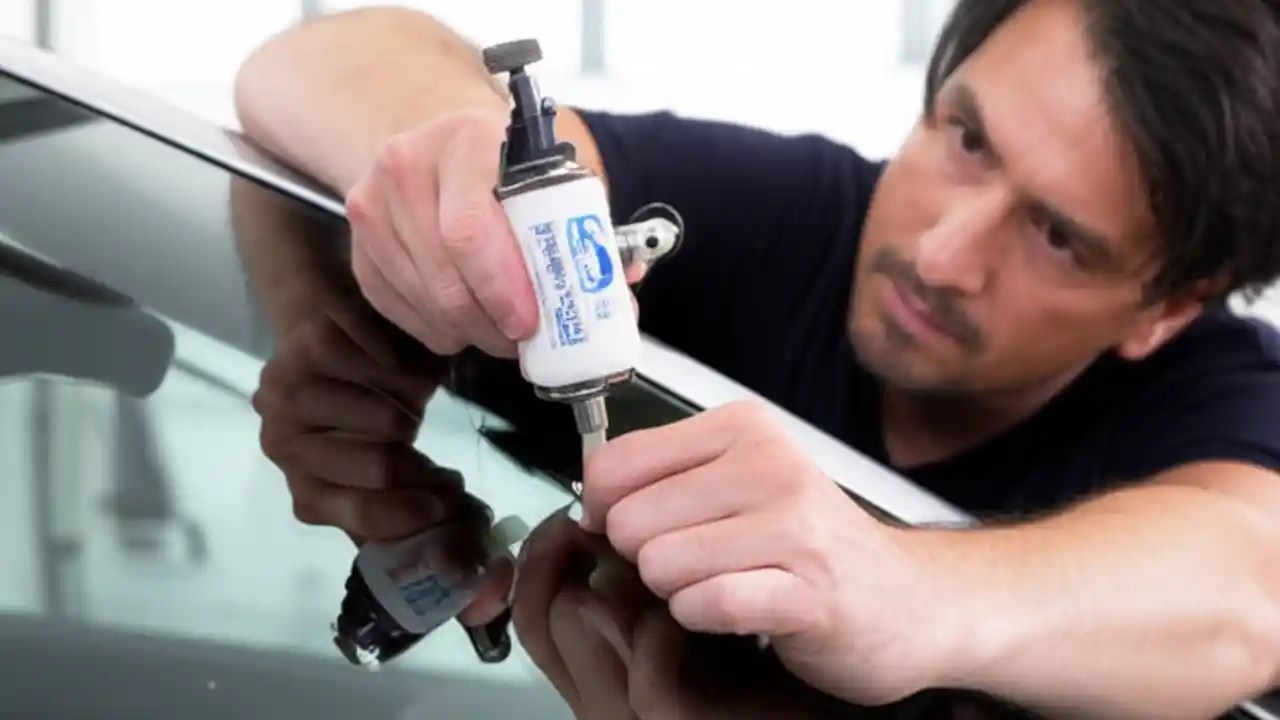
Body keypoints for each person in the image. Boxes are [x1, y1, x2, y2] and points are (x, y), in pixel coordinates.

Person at [234, 1, 1280, 717]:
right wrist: (425, 209)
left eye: (1055, 235)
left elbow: (1243, 587)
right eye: (966, 138)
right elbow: (308, 78)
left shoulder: (1220, 394)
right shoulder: (787, 215)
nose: (939, 254)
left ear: (1166, 307)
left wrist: (905, 590)